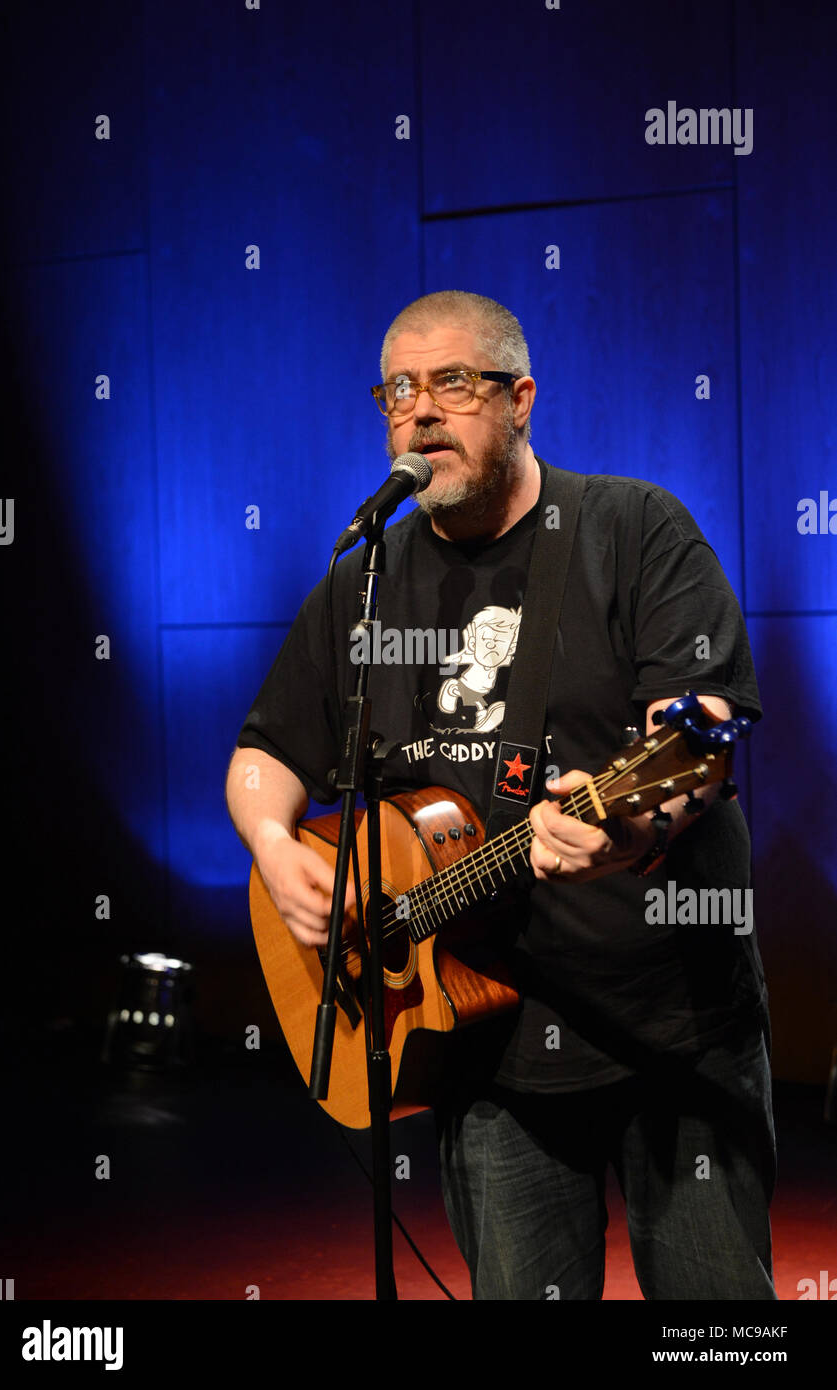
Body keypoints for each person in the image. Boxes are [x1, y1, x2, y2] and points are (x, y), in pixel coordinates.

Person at [225, 290, 776, 1301]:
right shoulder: (366, 579)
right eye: (399, 389)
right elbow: (264, 751)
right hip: (482, 1047)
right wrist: (272, 843)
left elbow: (695, 730)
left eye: (452, 383)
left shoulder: (631, 527)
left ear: (519, 398)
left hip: (670, 1027)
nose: (421, 410)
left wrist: (626, 831)